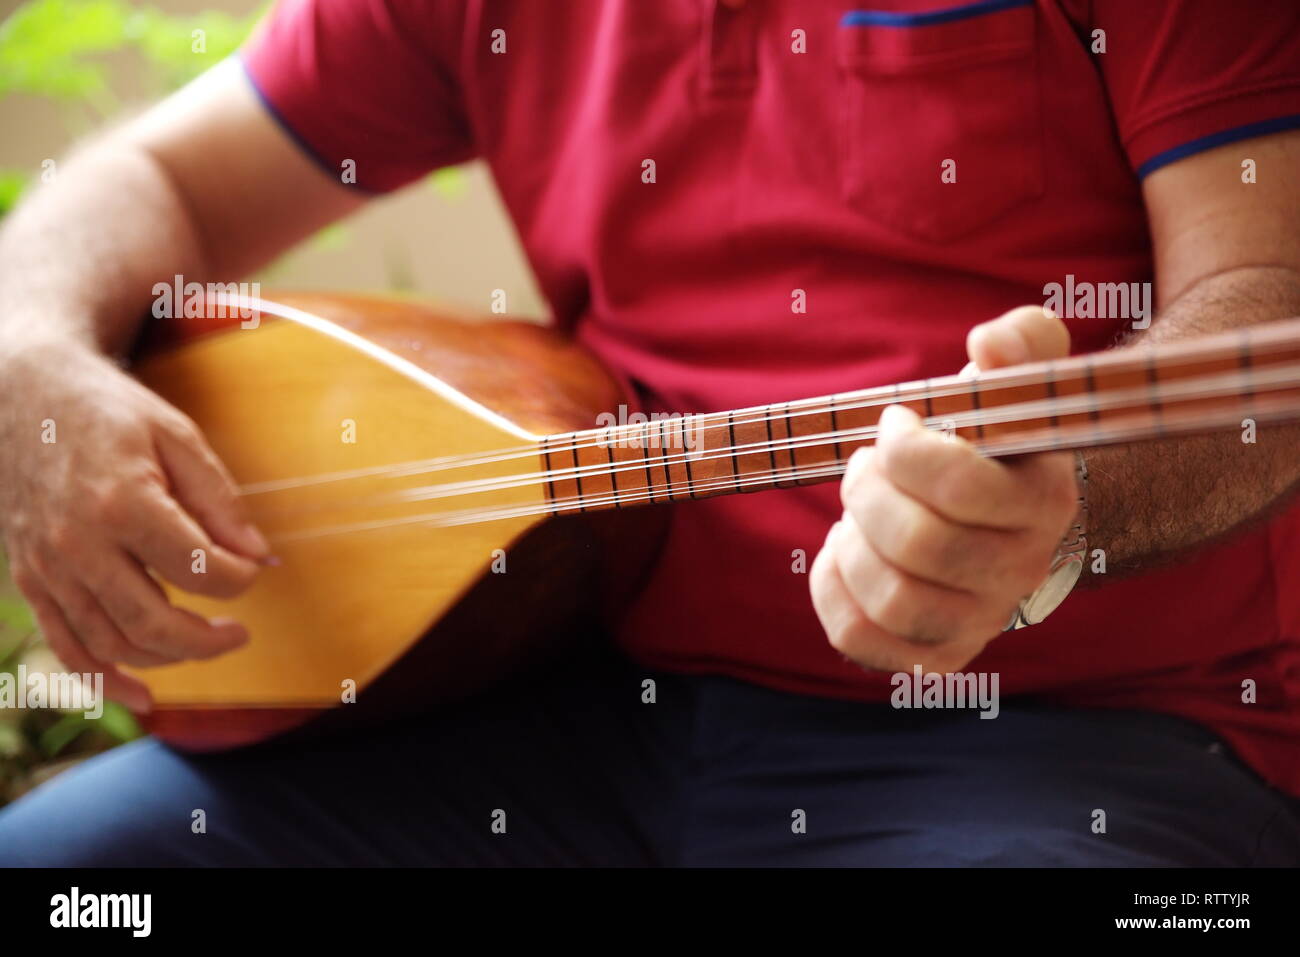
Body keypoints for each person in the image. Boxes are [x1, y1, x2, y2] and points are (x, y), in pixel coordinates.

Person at [0, 0, 1298, 866]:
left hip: (1093, 737)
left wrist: (1064, 501)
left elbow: (1270, 328)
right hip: (579, 707)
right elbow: (156, 180)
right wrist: (31, 348)